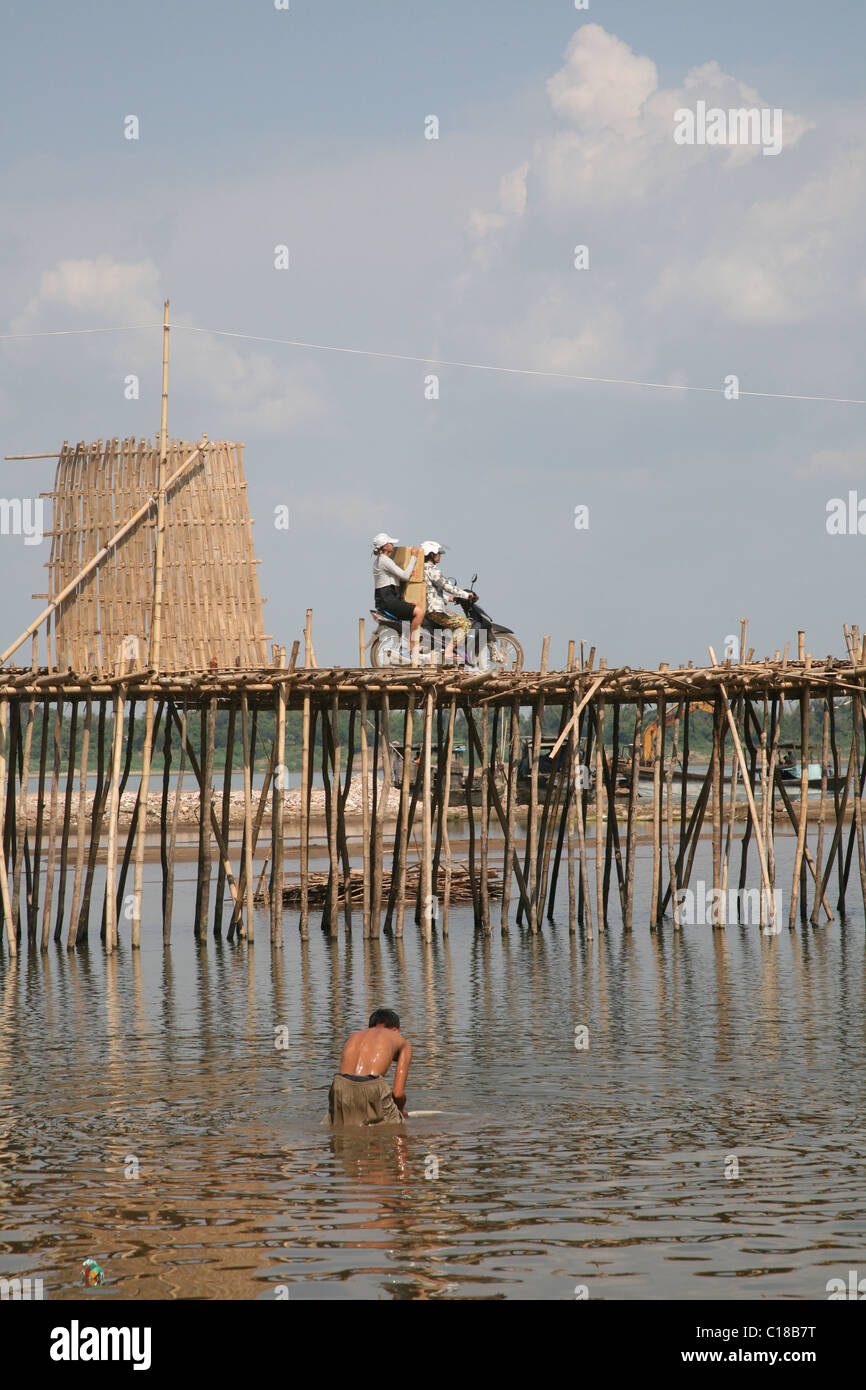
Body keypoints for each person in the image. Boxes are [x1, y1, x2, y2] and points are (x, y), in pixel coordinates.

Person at [328, 1008, 413, 1127]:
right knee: (398, 1129)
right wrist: (400, 1111)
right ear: (396, 1030)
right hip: (371, 1085)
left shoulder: (354, 1036)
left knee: (341, 1129)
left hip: (339, 1086)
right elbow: (398, 1093)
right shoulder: (401, 1040)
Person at [421, 540, 474, 663]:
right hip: (435, 610)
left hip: (430, 607)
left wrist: (448, 598)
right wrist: (466, 595)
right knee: (465, 624)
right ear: (431, 554)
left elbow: (431, 590)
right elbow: (446, 585)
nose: (439, 556)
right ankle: (449, 652)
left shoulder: (422, 569)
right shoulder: (431, 569)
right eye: (437, 553)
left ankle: (447, 651)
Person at [372, 533, 423, 653]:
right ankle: (412, 646)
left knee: (412, 611)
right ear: (384, 546)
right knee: (419, 612)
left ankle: (407, 642)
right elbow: (405, 576)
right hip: (388, 600)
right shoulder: (384, 561)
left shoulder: (381, 561)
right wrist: (414, 557)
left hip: (386, 598)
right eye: (390, 543)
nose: (393, 545)